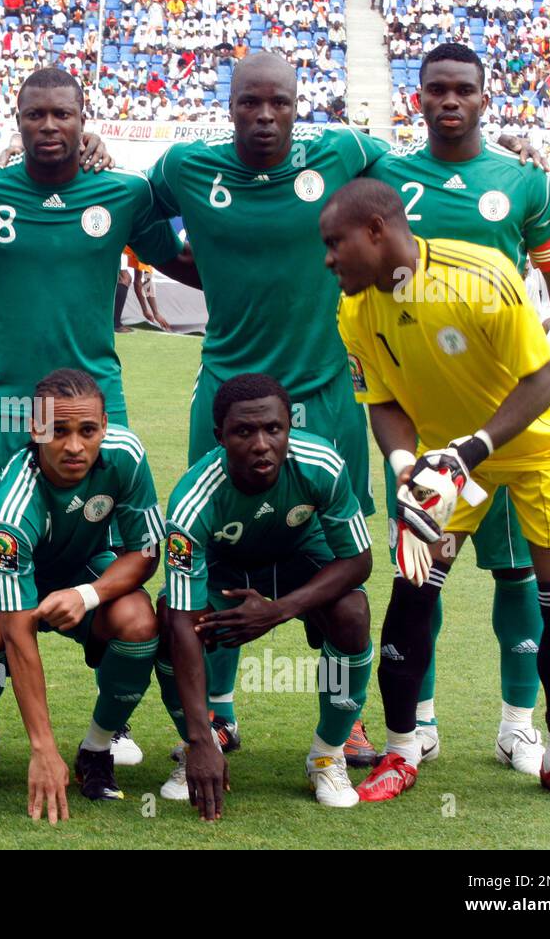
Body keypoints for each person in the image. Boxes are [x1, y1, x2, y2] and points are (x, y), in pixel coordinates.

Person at [0, 67, 196, 766]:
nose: (49, 126)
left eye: (63, 113)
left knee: (119, 567)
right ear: (17, 117)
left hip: (96, 409)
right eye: (36, 115)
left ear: (84, 117)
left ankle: (104, 732)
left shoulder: (125, 195)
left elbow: (181, 262)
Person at [323, 178, 550, 805]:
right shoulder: (353, 308)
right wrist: (407, 463)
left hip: (543, 445)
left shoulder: (480, 275)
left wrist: (467, 452)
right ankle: (403, 750)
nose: (328, 259)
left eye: (334, 244)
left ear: (376, 231)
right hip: (447, 459)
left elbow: (540, 382)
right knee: (411, 590)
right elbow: (383, 401)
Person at [361, 42, 550, 775]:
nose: (448, 100)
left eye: (462, 90)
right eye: (435, 89)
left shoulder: (523, 182)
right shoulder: (386, 179)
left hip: (516, 409)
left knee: (518, 574)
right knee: (421, 573)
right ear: (418, 98)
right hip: (431, 416)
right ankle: (421, 724)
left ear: (483, 97)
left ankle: (519, 724)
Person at [145, 52, 387, 771]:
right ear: (230, 105)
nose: (263, 116)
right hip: (227, 396)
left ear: (297, 103)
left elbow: (401, 192)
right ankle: (215, 714)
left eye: (278, 103)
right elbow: (139, 213)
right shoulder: (189, 167)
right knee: (212, 551)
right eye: (249, 102)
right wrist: (199, 268)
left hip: (323, 392)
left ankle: (347, 724)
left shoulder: (343, 151)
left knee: (341, 558)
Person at [0, 369, 165, 821]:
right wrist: (42, 748)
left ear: (103, 428)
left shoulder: (127, 455)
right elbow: (18, 634)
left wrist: (87, 595)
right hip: (5, 572)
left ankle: (96, 750)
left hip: (84, 566)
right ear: (36, 431)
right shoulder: (14, 507)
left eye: (87, 430)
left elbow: (145, 553)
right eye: (58, 431)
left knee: (138, 621)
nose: (74, 446)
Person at [160, 374, 373, 817]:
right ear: (219, 436)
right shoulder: (191, 503)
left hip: (300, 562)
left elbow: (358, 560)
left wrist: (280, 610)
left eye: (273, 429)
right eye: (243, 432)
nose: (261, 444)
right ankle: (202, 740)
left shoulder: (322, 464)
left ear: (288, 428)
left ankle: (327, 755)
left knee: (353, 610)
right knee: (167, 617)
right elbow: (183, 619)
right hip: (229, 573)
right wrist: (199, 739)